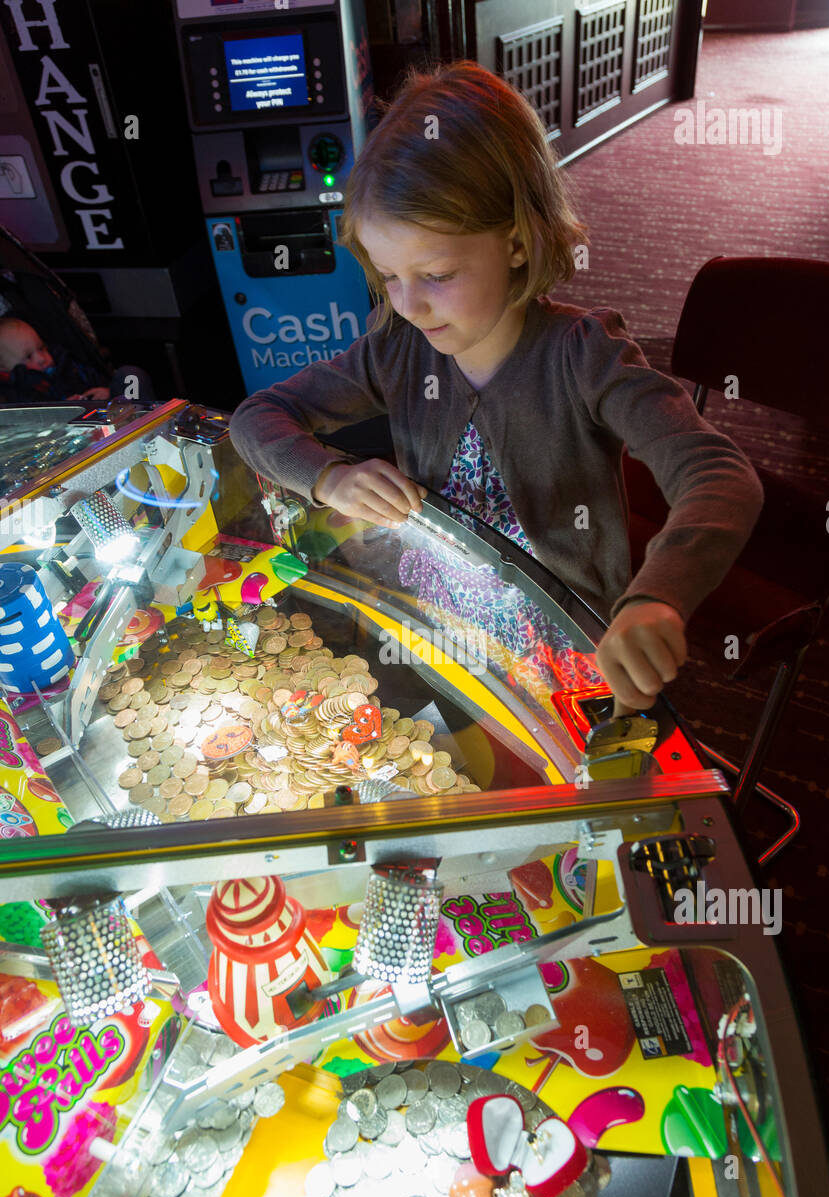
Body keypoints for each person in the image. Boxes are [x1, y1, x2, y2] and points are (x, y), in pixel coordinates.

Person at [229, 61, 764, 711]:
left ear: (515, 243)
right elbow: (260, 415)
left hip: (569, 658)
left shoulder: (584, 356)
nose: (409, 306)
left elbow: (718, 475)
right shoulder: (398, 348)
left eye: (436, 273)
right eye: (389, 276)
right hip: (438, 636)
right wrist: (328, 475)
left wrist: (658, 594)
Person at [0, 316, 154, 406]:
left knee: (130, 375)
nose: (41, 358)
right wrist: (63, 408)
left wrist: (106, 391)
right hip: (73, 431)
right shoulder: (19, 392)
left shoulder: (65, 363)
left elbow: (95, 377)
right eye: (28, 357)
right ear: (6, 369)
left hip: (108, 409)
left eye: (42, 348)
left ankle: (139, 414)